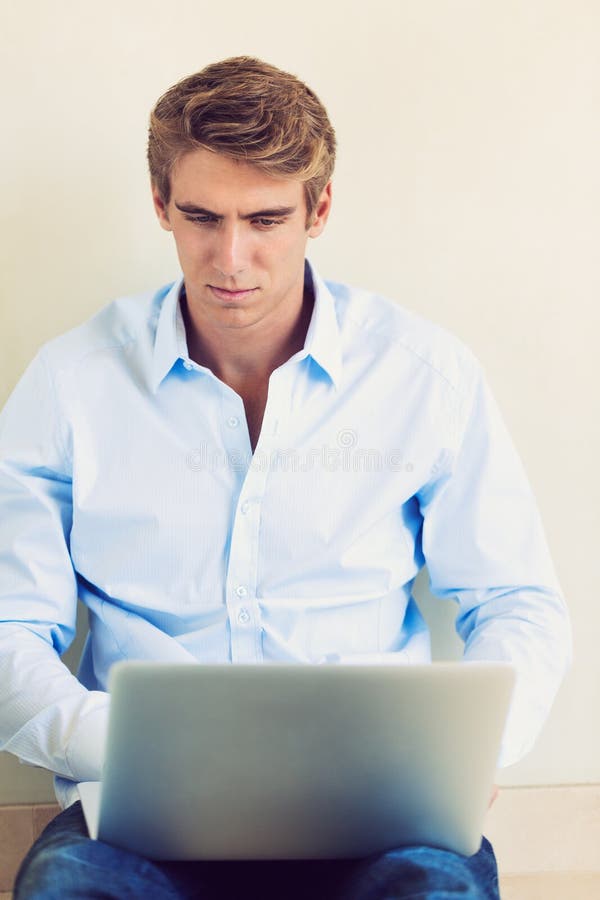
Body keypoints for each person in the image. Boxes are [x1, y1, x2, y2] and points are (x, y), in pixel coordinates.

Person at [0, 56, 570, 899]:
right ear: (160, 205)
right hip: (137, 821)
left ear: (320, 209)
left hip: (385, 815)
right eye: (202, 217)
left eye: (266, 218)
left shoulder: (423, 375)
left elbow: (518, 600)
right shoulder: (71, 382)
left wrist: (471, 753)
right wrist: (125, 745)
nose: (232, 259)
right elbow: (10, 625)